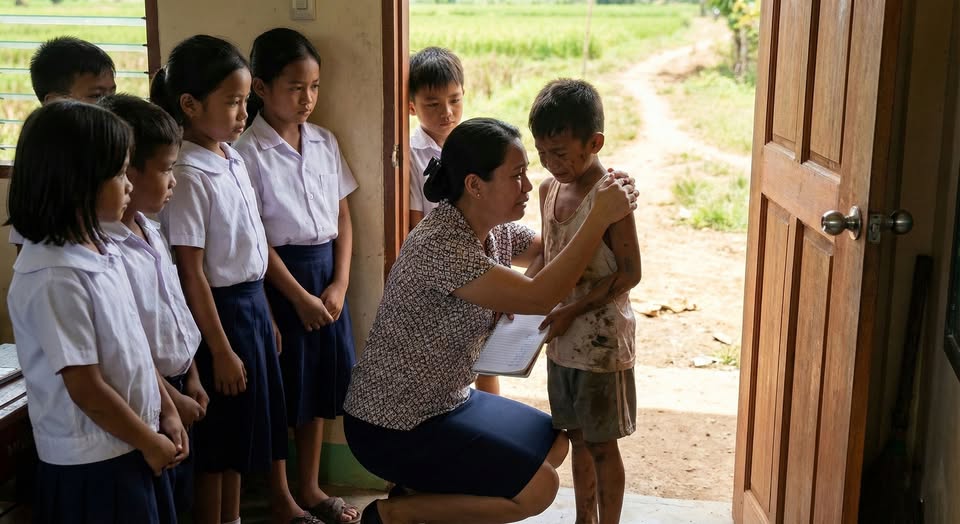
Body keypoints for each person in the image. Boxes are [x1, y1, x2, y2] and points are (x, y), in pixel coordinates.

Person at [342, 117, 639, 524]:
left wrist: (593, 198)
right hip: (394, 424)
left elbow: (550, 249)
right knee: (539, 489)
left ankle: (421, 490)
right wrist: (598, 215)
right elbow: (541, 295)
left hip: (447, 402)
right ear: (475, 185)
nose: (529, 187)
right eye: (516, 176)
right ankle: (396, 514)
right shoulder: (442, 244)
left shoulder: (492, 231)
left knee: (553, 443)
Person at [151, 35, 319, 524]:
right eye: (232, 102)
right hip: (217, 316)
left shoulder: (231, 156)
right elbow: (191, 271)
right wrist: (221, 349)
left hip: (248, 309)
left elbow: (250, 249)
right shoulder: (187, 171)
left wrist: (264, 312)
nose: (243, 114)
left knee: (245, 436)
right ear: (189, 104)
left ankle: (234, 517)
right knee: (221, 441)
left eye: (246, 101)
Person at [6, 100, 184, 523]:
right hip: (95, 463)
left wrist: (167, 410)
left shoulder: (100, 249)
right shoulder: (54, 275)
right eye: (120, 173)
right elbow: (86, 387)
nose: (129, 185)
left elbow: (134, 344)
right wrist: (148, 440)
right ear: (79, 182)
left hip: (132, 443)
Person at [235, 27, 360, 524]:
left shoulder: (325, 141)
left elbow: (343, 215)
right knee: (282, 391)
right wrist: (298, 296)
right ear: (261, 89)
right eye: (294, 87)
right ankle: (281, 494)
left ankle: (311, 487)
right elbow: (254, 239)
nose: (307, 98)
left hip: (326, 273)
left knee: (317, 389)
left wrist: (340, 283)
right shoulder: (247, 152)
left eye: (314, 87)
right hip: (278, 281)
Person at [529, 79, 641, 524]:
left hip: (600, 345)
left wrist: (571, 310)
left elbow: (630, 273)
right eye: (542, 153)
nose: (551, 163)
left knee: (601, 444)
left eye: (560, 152)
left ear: (594, 143)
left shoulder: (611, 198)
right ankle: (583, 518)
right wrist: (518, 296)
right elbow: (546, 253)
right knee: (575, 437)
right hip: (561, 341)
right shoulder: (548, 190)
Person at [98, 93, 208, 518]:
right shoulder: (108, 250)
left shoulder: (151, 229)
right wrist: (170, 402)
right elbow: (132, 342)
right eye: (165, 169)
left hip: (180, 383)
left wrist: (193, 374)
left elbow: (176, 311)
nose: (173, 180)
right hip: (146, 395)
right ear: (128, 172)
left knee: (182, 497)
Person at [407, 46, 505, 396]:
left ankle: (491, 423)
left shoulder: (474, 148)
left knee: (487, 357)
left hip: (478, 261)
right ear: (411, 106)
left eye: (455, 100)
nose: (446, 112)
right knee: (451, 361)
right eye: (433, 104)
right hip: (441, 271)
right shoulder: (409, 156)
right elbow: (414, 226)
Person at [10, 36, 118, 249]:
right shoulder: (46, 166)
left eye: (112, 94)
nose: (111, 105)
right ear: (54, 103)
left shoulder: (111, 150)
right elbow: (27, 249)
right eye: (97, 95)